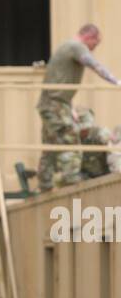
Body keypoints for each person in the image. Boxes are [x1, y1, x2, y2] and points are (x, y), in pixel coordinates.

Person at [37, 25, 121, 190]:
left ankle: (44, 185)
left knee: (50, 146)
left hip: (50, 104)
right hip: (56, 105)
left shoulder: (64, 47)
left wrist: (70, 107)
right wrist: (116, 81)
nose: (93, 49)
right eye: (94, 44)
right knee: (71, 142)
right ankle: (71, 182)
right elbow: (94, 65)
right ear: (90, 37)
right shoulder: (76, 47)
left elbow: (57, 80)